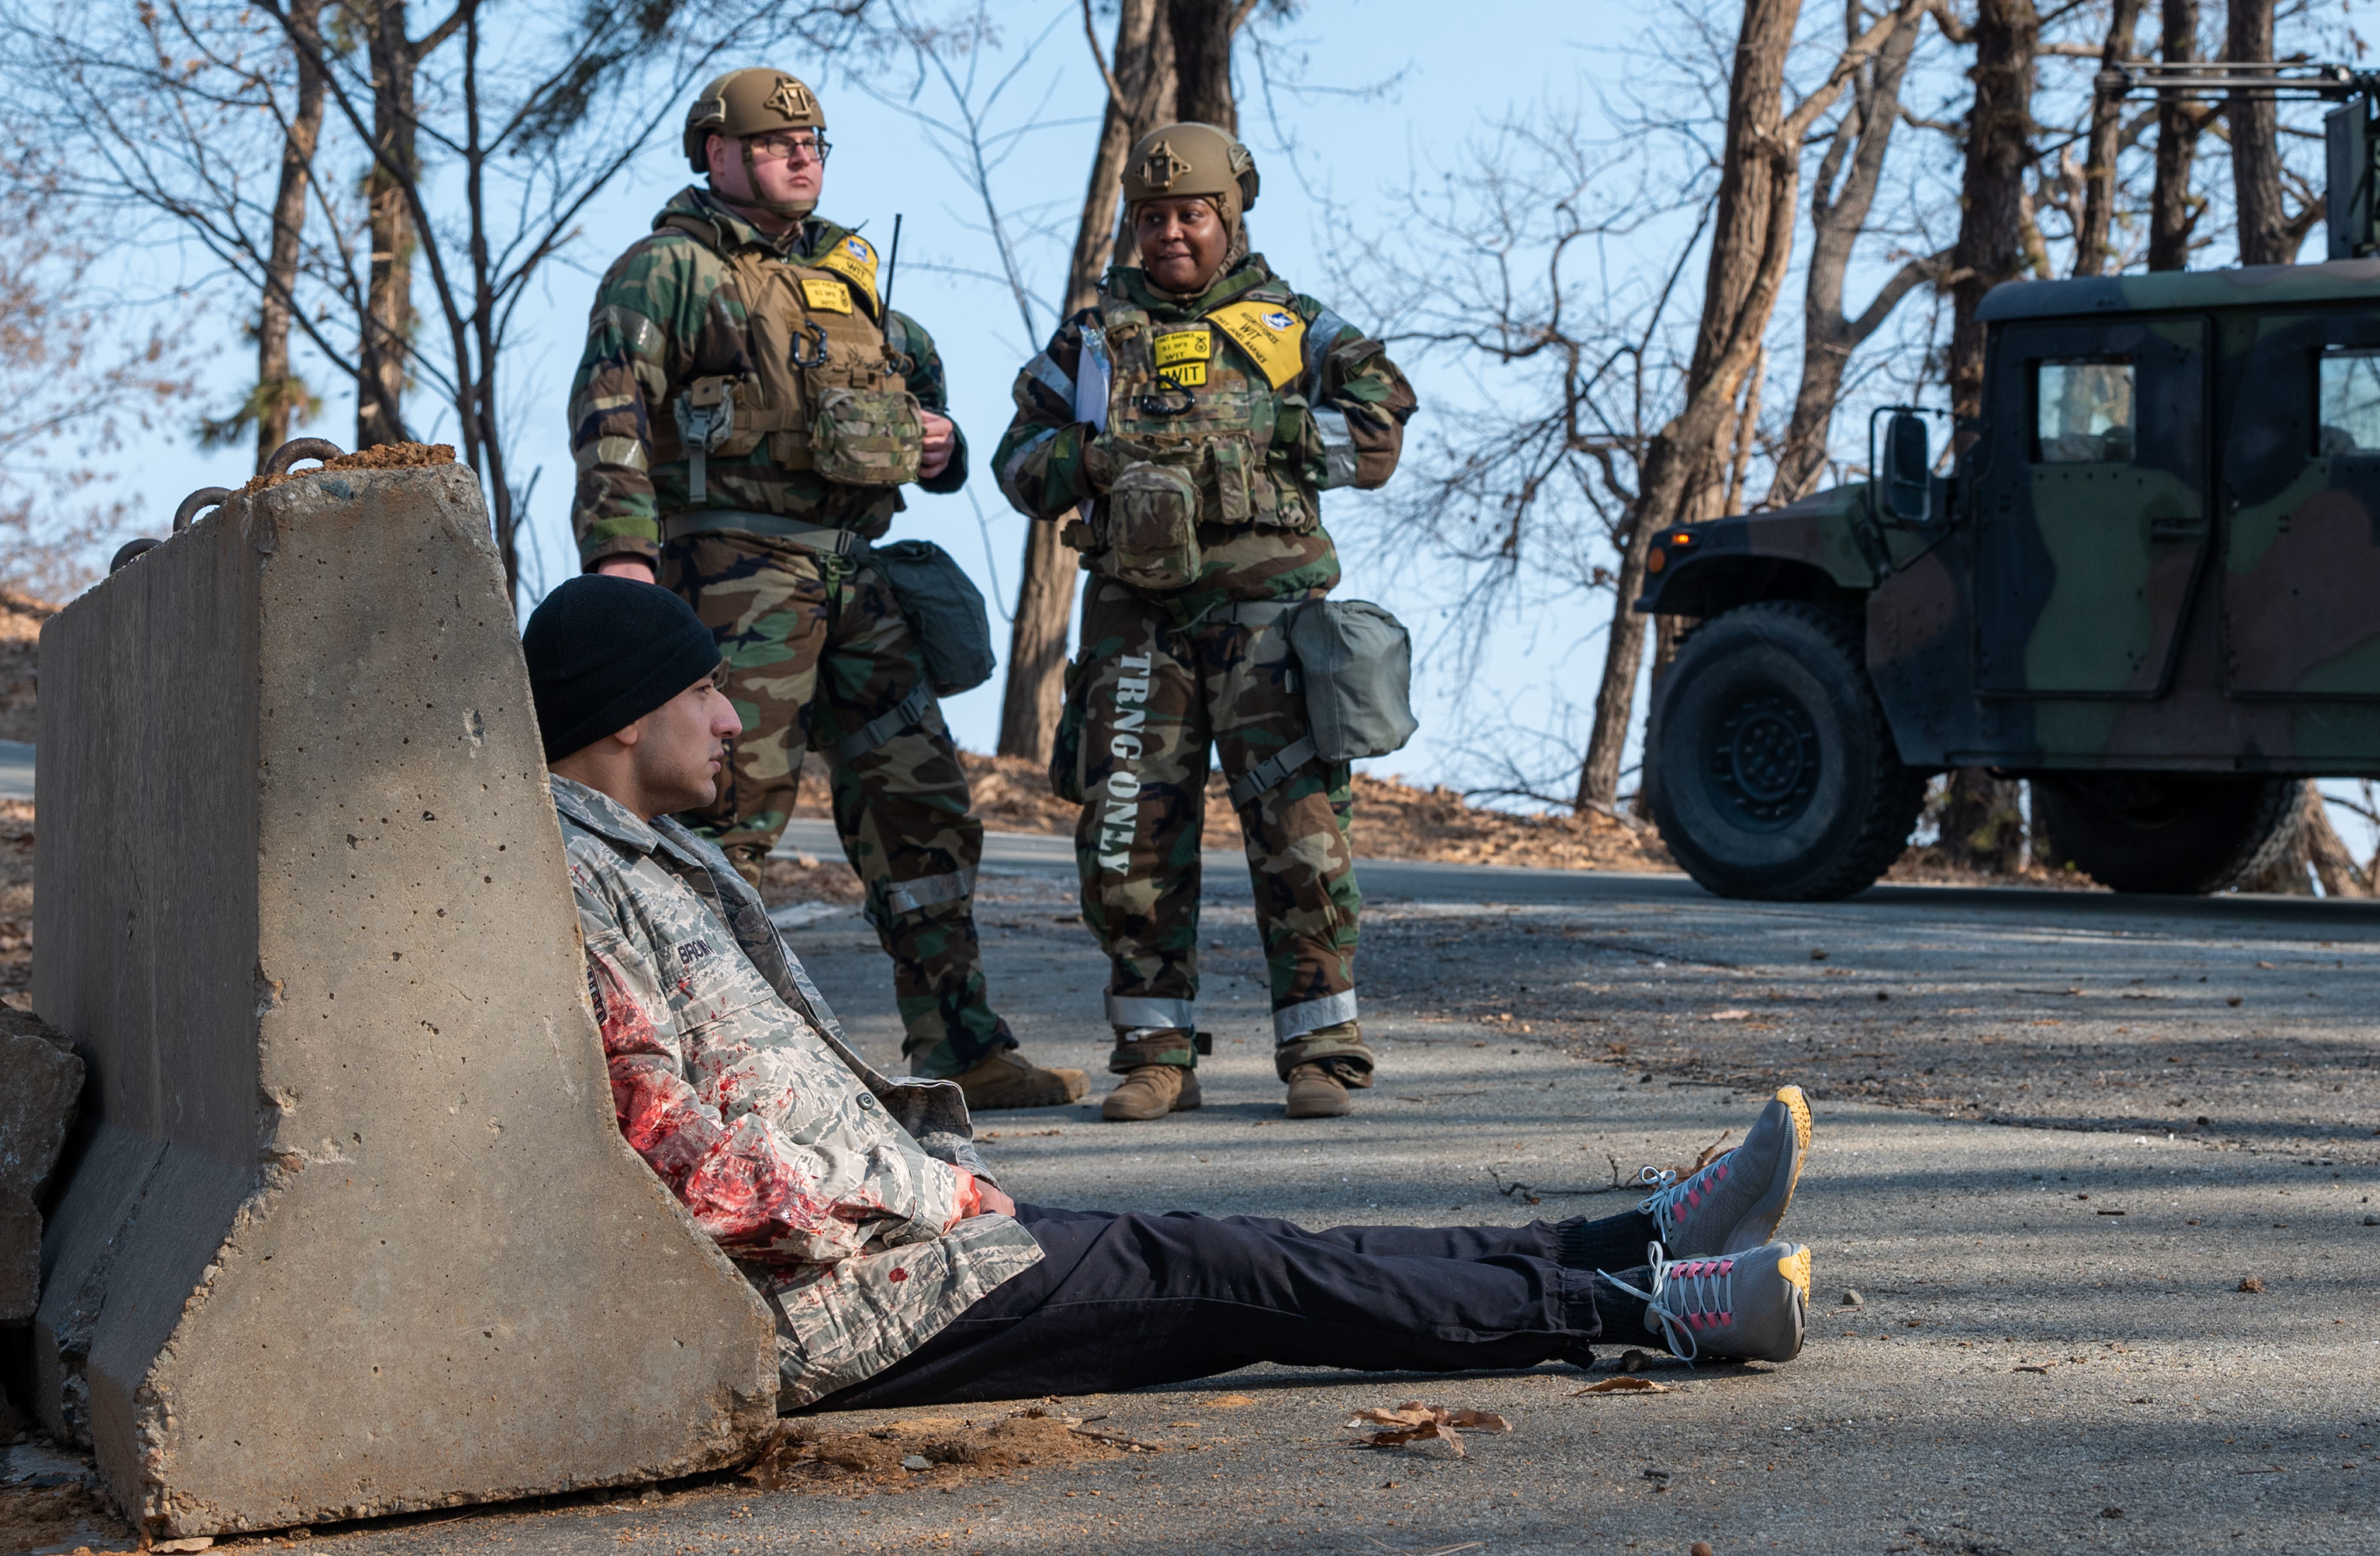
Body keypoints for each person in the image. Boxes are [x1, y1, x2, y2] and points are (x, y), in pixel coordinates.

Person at [523, 576, 1814, 1412]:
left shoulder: (638, 854)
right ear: (625, 718)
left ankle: (1626, 1241)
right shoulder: (575, 886)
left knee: (1249, 1250)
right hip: (841, 1302)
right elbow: (683, 1165)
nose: (733, 715)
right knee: (1228, 1268)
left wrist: (931, 1183)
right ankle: (1649, 1309)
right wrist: (932, 1190)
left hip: (890, 1252)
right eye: (700, 686)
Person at [565, 67, 1082, 1112]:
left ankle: (963, 1042)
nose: (802, 155)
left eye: (813, 142)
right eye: (774, 141)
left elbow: (919, 398)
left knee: (920, 805)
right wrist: (621, 558)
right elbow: (611, 403)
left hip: (857, 576)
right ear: (717, 153)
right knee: (723, 820)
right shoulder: (668, 269)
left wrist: (940, 445)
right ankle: (722, 1070)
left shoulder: (847, 273)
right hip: (734, 577)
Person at [992, 122, 1419, 1124]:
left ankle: (1321, 1050)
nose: (1172, 234)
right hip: (1136, 623)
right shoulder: (1091, 341)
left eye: (1191, 214)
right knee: (1129, 835)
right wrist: (1090, 460)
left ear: (1229, 216)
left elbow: (1380, 431)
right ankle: (1154, 1054)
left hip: (1268, 620)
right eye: (1152, 218)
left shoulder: (1294, 327)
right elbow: (1018, 464)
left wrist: (1271, 429)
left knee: (1301, 833)